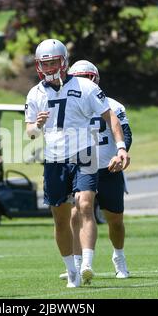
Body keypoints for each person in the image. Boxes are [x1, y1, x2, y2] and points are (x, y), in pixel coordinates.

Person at [25, 39, 130, 288]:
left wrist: (121, 147)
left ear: (64, 62)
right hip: (54, 160)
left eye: (53, 62)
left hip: (83, 155)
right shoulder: (35, 93)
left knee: (85, 205)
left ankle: (87, 264)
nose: (49, 68)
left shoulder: (85, 87)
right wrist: (37, 126)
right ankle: (71, 270)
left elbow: (110, 116)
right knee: (61, 218)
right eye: (45, 63)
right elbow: (29, 133)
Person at [59, 60, 132, 280]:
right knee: (76, 213)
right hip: (82, 166)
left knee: (115, 220)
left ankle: (118, 257)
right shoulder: (68, 104)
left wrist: (120, 153)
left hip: (108, 169)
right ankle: (79, 265)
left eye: (87, 78)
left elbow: (126, 134)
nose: (83, 83)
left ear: (95, 79)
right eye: (79, 78)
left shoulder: (113, 105)